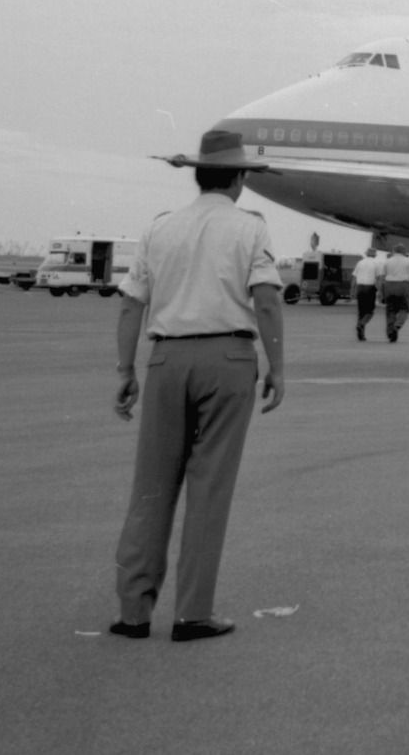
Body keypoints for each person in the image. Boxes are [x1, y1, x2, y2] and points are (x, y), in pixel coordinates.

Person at [109, 135, 285, 642]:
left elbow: (129, 304)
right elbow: (267, 299)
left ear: (197, 174)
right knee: (209, 488)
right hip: (227, 359)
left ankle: (133, 613)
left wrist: (127, 370)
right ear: (238, 178)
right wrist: (278, 367)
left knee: (152, 486)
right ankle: (191, 615)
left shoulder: (161, 228)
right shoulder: (249, 228)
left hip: (165, 358)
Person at [379, 244, 409, 343]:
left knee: (390, 311)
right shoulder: (408, 261)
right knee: (404, 309)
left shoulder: (387, 261)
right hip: (402, 286)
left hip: (389, 286)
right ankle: (397, 326)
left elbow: (382, 279)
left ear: (394, 251)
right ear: (404, 252)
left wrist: (381, 292)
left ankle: (390, 333)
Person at [351, 247, 381, 342]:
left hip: (360, 288)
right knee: (370, 311)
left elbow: (354, 278)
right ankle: (361, 324)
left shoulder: (360, 263)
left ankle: (361, 335)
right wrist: (380, 291)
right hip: (370, 288)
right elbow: (379, 279)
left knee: (361, 312)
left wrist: (352, 290)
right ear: (374, 254)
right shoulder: (377, 263)